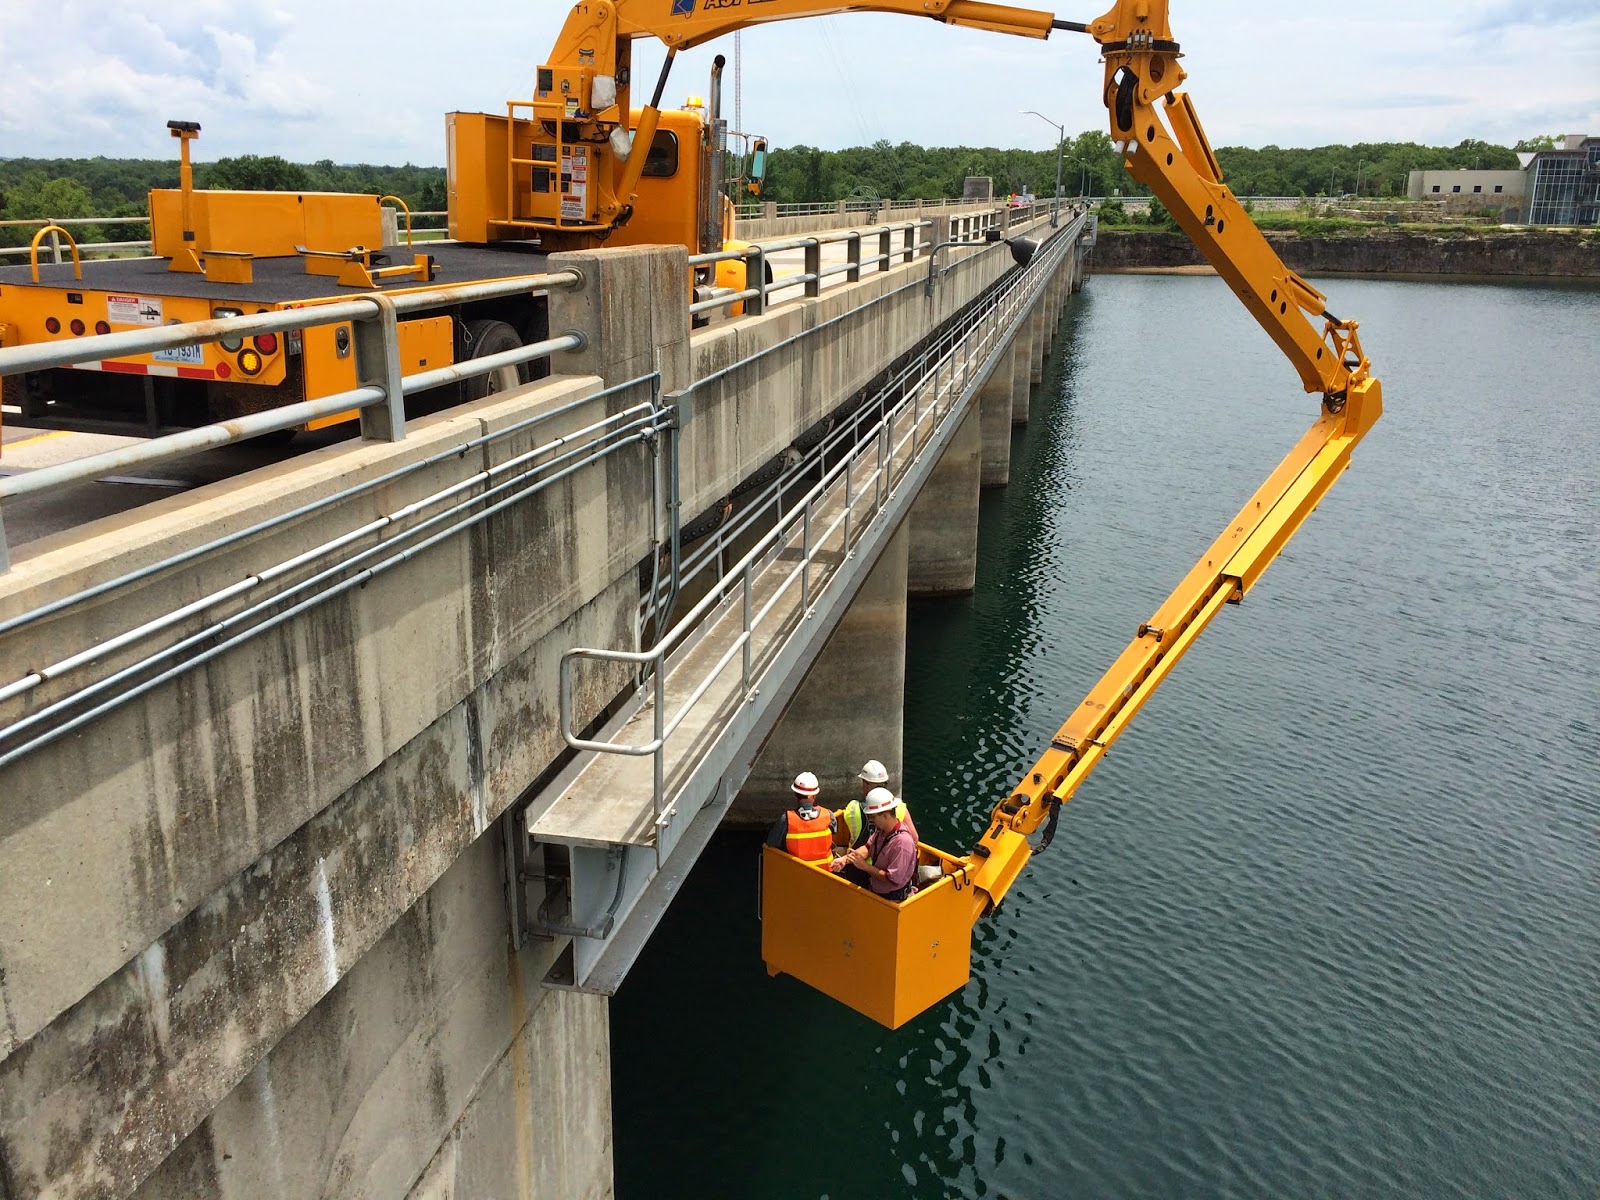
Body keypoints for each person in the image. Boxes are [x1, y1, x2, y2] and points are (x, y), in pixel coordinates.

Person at [832, 787, 917, 902]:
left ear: (885, 816)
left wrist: (865, 867)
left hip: (892, 901)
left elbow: (891, 879)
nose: (871, 820)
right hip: (878, 894)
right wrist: (845, 860)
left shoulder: (902, 843)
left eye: (873, 817)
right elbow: (867, 848)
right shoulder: (882, 832)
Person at [835, 759, 917, 850]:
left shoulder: (853, 807)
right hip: (887, 861)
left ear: (866, 784)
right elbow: (914, 839)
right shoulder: (900, 807)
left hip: (856, 861)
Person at [765, 771, 834, 863]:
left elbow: (771, 843)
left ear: (795, 794)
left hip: (796, 874)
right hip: (826, 875)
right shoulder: (829, 815)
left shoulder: (786, 819)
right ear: (814, 795)